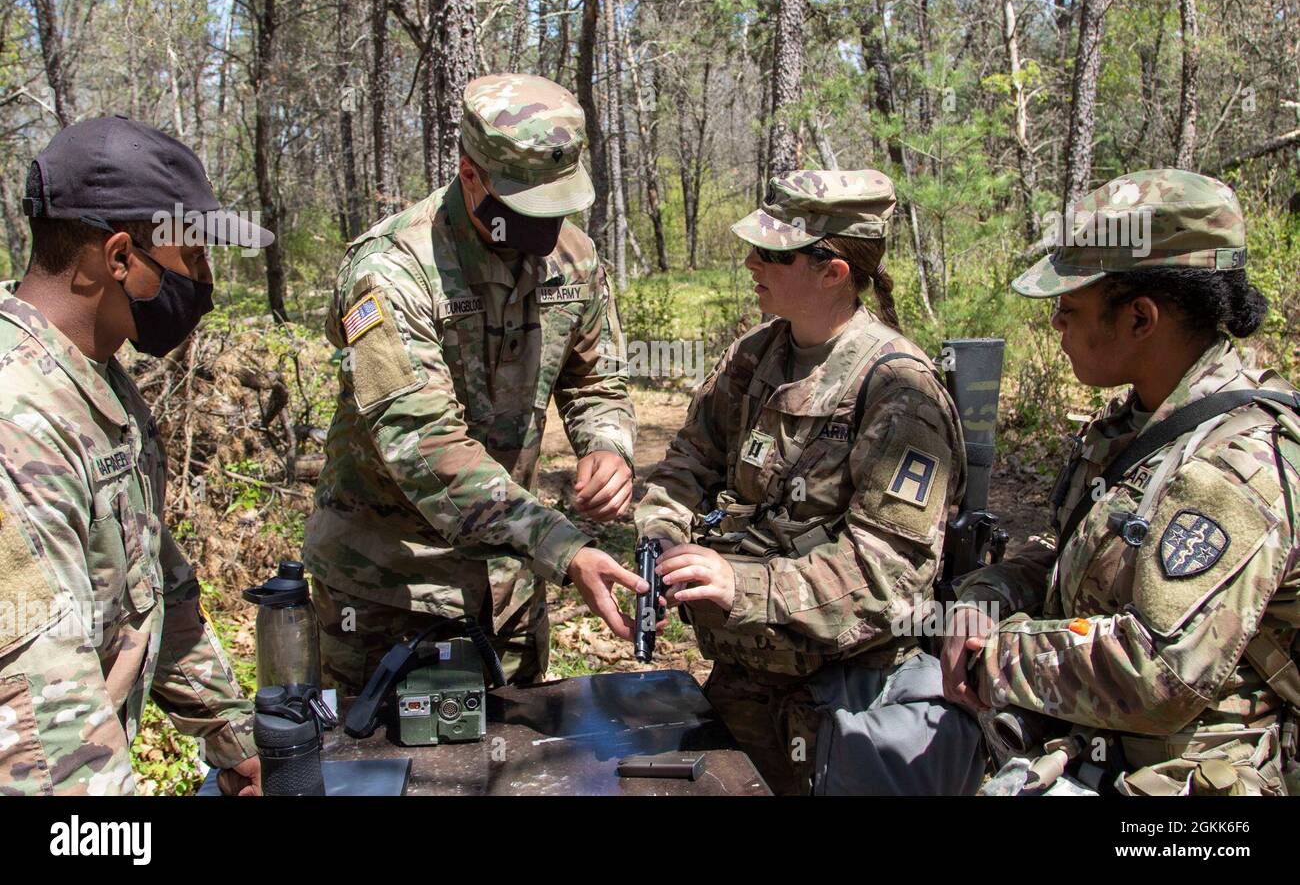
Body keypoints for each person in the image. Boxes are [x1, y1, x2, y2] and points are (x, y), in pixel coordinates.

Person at [941, 169, 1300, 796]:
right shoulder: (1135, 430)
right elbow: (1074, 559)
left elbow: (1158, 670)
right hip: (1095, 746)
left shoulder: (1233, 466)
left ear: (1140, 318)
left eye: (1070, 307)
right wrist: (990, 591)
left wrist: (996, 651)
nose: (1055, 325)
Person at [634, 169, 985, 795]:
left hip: (844, 705)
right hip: (744, 683)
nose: (750, 262)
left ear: (833, 271)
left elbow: (887, 578)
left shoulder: (899, 392)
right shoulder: (753, 357)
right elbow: (688, 463)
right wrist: (659, 540)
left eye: (773, 253)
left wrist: (740, 585)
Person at [302, 73, 642, 693]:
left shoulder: (575, 258)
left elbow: (597, 382)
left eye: (557, 206)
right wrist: (562, 546)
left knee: (522, 770)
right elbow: (423, 445)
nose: (546, 229)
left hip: (509, 589)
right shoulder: (389, 271)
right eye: (524, 207)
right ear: (470, 176)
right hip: (390, 592)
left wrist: (607, 446)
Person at [0, 116, 269, 795]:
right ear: (119, 257)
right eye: (194, 257)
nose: (205, 281)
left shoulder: (96, 379)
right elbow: (41, 735)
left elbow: (154, 583)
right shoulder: (19, 421)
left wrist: (232, 739)